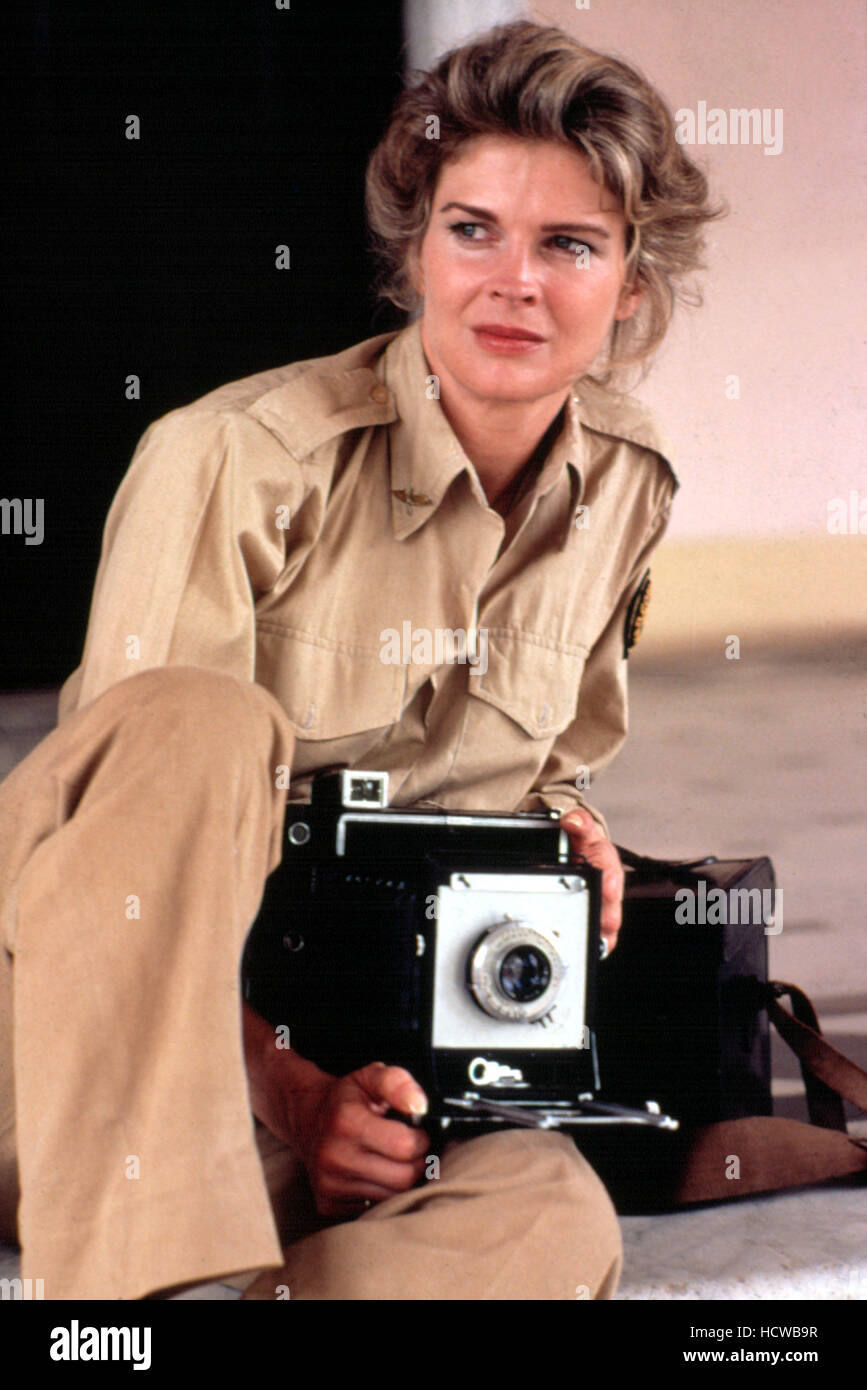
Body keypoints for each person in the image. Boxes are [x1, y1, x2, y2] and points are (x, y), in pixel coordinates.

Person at [0, 20, 721, 1300]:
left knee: (549, 1215)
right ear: (413, 249)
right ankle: (122, 1307)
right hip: (88, 1049)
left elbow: (552, 760)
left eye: (569, 243)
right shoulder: (237, 458)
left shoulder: (626, 479)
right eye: (472, 228)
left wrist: (565, 831)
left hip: (371, 1057)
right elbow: (114, 863)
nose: (513, 282)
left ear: (633, 281)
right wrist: (284, 1095)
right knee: (198, 724)